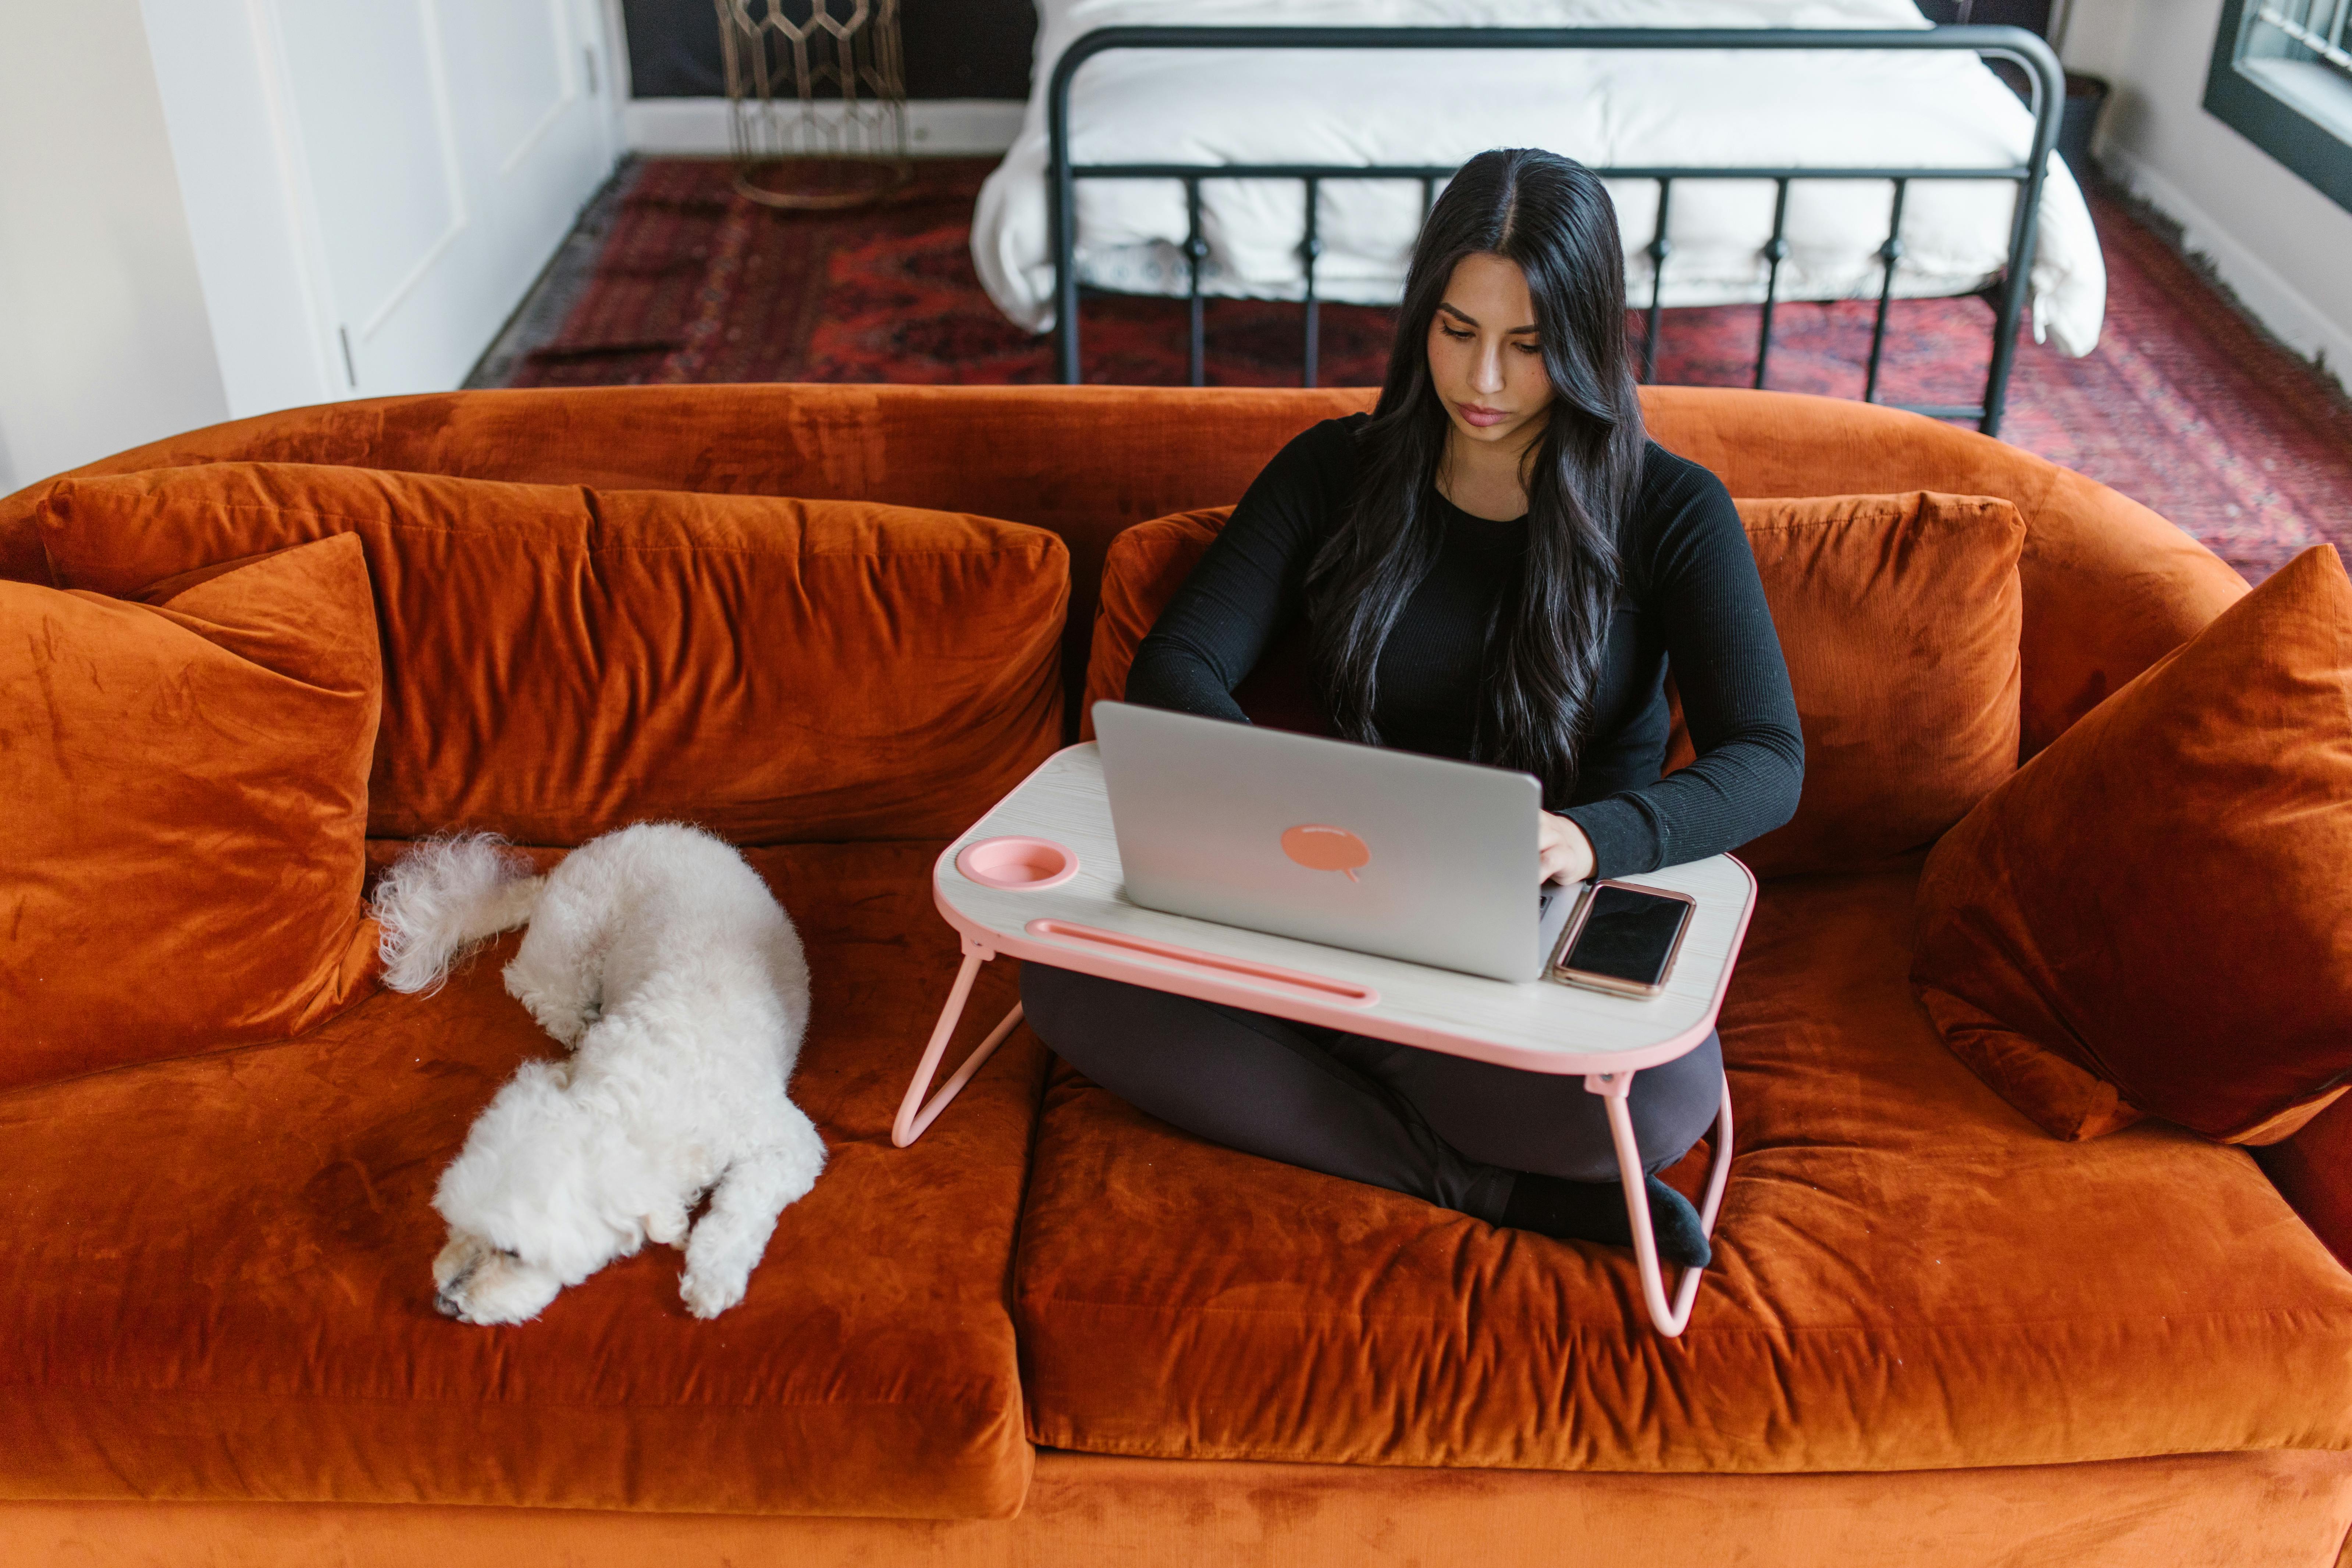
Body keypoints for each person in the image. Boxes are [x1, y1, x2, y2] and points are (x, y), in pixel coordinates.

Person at [1021, 148, 1803, 1267]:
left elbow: (1767, 758)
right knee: (1068, 989)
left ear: (1587, 340)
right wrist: (1278, 804)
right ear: (1418, 319)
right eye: (1456, 330)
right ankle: (1472, 1181)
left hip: (1547, 919)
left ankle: (1329, 1071)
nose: (1483, 379)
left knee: (1655, 1106)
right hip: (1339, 902)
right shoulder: (1336, 470)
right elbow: (1178, 664)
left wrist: (1587, 838)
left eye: (1528, 345)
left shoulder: (1671, 509)